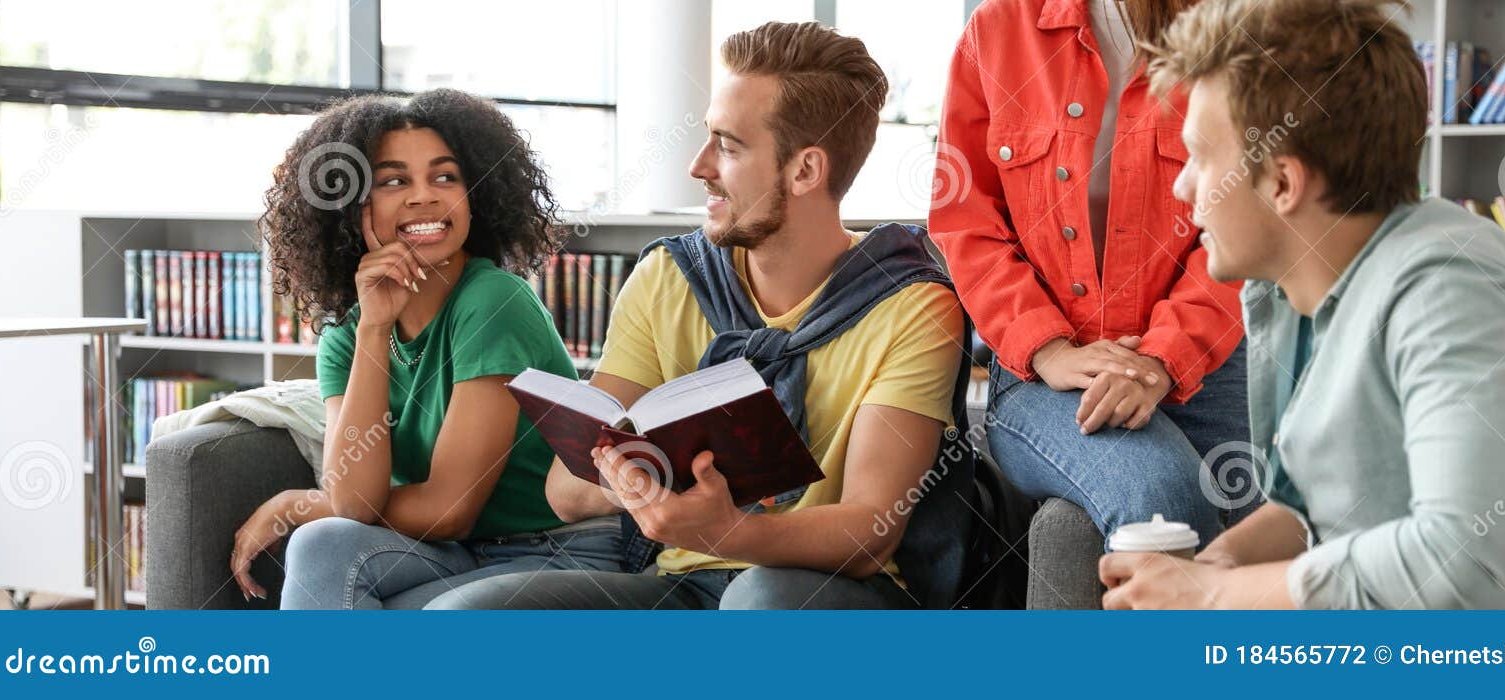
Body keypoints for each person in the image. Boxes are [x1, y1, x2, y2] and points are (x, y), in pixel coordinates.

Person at [427, 21, 966, 610]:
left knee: (756, 602)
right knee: (467, 615)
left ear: (805, 171)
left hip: (830, 592)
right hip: (682, 587)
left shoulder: (911, 303)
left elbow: (869, 531)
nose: (698, 165)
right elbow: (565, 489)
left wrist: (727, 531)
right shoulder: (668, 279)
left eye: (728, 146)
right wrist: (637, 481)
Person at [1099, 0, 1505, 609]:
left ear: (1282, 182)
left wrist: (1214, 595)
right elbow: (1315, 512)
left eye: (1199, 155)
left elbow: (1476, 575)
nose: (1183, 185)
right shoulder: (1281, 293)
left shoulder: (1453, 288)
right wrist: (1219, 562)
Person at [233, 88, 623, 610]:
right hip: (451, 552)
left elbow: (449, 508)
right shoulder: (349, 333)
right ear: (354, 205)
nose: (425, 197)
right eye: (395, 181)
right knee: (322, 548)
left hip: (557, 550)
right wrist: (374, 328)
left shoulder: (493, 301)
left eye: (446, 176)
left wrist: (304, 503)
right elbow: (353, 502)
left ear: (476, 194)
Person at [928, 0, 1252, 585]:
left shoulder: (1230, 29)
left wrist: (1161, 359)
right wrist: (1050, 349)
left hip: (1207, 365)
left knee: (1251, 533)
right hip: (1039, 376)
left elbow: (1243, 218)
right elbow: (966, 222)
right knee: (1161, 497)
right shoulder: (996, 31)